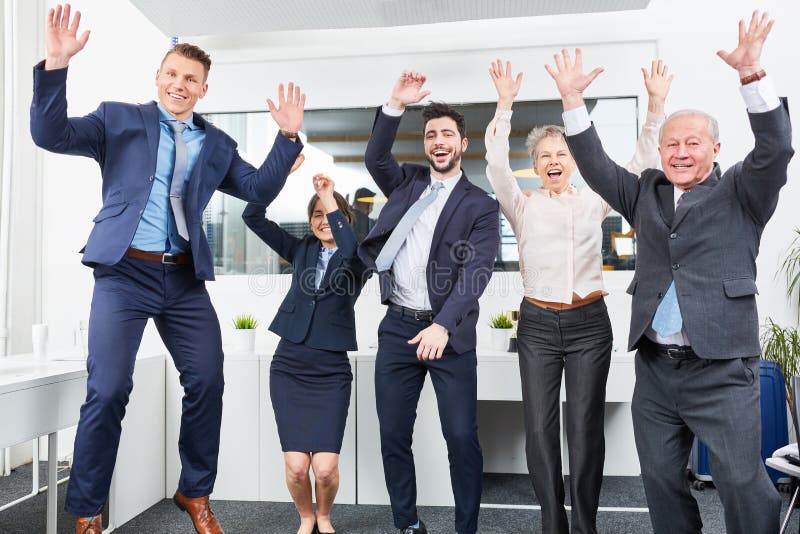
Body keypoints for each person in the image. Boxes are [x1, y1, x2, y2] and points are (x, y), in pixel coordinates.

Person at [29, 5, 305, 534]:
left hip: (182, 279)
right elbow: (51, 134)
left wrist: (287, 140)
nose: (180, 84)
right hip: (122, 274)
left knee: (207, 379)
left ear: (204, 89)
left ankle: (194, 491)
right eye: (173, 75)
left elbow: (257, 190)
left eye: (191, 80)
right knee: (108, 388)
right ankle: (87, 508)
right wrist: (57, 65)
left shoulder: (217, 144)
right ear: (158, 78)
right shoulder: (118, 119)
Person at [545, 11, 793, 534]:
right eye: (672, 145)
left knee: (741, 483)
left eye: (693, 143)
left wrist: (752, 75)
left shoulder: (743, 193)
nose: (680, 152)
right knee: (659, 481)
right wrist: (572, 103)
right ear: (661, 152)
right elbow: (595, 167)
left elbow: (775, 149)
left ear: (715, 149)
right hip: (656, 369)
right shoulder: (646, 192)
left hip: (723, 368)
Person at [484, 58, 670, 534]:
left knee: (585, 430)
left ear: (574, 161)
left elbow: (638, 165)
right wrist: (505, 105)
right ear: (535, 164)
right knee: (540, 430)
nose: (553, 161)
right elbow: (495, 163)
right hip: (539, 327)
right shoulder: (520, 205)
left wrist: (655, 106)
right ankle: (553, 520)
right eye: (544, 155)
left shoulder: (595, 199)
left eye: (562, 153)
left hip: (589, 324)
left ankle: (585, 523)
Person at [357, 72, 500, 534]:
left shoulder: (480, 204)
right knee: (394, 434)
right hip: (398, 329)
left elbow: (476, 271)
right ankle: (407, 525)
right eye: (431, 135)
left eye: (446, 135)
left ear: (463, 143)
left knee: (460, 438)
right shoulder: (406, 183)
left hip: (449, 336)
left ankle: (466, 529)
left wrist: (443, 325)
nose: (438, 142)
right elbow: (375, 155)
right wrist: (394, 103)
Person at [242, 174, 366, 534]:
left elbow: (347, 247)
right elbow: (253, 217)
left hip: (330, 372)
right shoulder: (300, 250)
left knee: (325, 468)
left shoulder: (356, 258)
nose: (322, 220)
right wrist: (278, 174)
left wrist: (327, 196)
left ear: (344, 218)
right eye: (315, 215)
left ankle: (324, 516)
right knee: (297, 466)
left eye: (329, 214)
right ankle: (306, 517)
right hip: (289, 366)